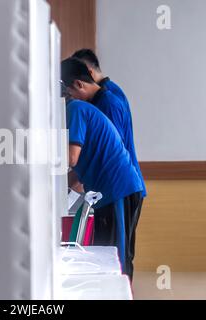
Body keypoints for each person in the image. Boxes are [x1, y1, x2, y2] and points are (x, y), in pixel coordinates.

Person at [62, 58, 143, 280]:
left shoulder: (77, 108)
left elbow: (72, 157)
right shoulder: (87, 106)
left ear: (77, 85)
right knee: (105, 251)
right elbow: (83, 161)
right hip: (109, 190)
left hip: (118, 189)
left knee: (115, 256)